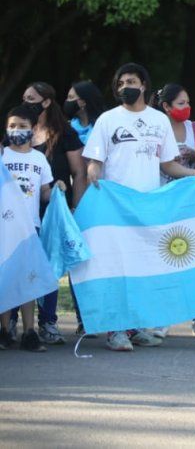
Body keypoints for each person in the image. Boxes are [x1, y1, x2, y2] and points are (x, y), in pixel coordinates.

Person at [83, 62, 195, 352]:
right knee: (119, 268)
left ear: (143, 85)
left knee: (143, 267)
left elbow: (167, 164)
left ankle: (137, 327)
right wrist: (93, 170)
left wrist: (194, 174)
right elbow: (95, 160)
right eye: (120, 83)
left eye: (131, 81)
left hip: (149, 207)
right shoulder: (107, 119)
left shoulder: (158, 121)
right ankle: (116, 331)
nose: (125, 86)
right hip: (116, 208)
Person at [22, 82, 87, 345]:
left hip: (54, 208)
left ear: (47, 102)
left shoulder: (65, 133)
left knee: (49, 266)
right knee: (20, 266)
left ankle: (48, 321)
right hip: (22, 212)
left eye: (32, 98)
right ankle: (13, 320)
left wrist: (76, 207)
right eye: (24, 98)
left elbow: (79, 173)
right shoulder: (19, 132)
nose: (27, 102)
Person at [1, 104, 65, 352]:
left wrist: (58, 187)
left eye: (23, 126)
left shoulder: (39, 159)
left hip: (30, 228)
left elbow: (44, 192)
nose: (17, 130)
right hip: (4, 227)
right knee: (5, 279)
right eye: (12, 126)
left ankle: (30, 331)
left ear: (33, 129)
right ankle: (5, 330)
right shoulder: (3, 156)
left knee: (28, 279)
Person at [152, 83, 195, 339]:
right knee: (163, 259)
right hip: (161, 202)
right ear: (166, 107)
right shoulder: (154, 129)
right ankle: (162, 318)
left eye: (188, 102)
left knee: (191, 257)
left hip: (191, 205)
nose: (186, 108)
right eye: (180, 103)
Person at [64, 80, 106, 146]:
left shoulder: (103, 127)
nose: (67, 101)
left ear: (83, 102)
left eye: (71, 97)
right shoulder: (67, 128)